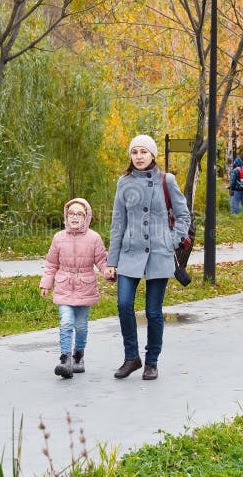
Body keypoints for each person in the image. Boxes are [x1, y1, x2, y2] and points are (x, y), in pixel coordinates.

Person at [104, 135, 191, 380]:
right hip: (129, 253)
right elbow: (117, 223)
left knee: (153, 312)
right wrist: (112, 261)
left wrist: (171, 241)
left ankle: (151, 361)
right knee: (124, 305)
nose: (139, 156)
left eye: (143, 152)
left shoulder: (166, 180)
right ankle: (131, 357)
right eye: (135, 152)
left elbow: (184, 216)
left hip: (159, 254)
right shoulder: (124, 183)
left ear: (153, 155)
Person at [40, 198, 108, 379]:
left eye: (79, 214)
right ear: (66, 216)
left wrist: (108, 272)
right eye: (71, 213)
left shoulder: (94, 238)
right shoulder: (58, 238)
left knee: (81, 326)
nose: (75, 217)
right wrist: (46, 283)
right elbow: (51, 264)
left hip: (85, 286)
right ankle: (65, 360)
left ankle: (78, 356)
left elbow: (102, 261)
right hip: (64, 285)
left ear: (86, 217)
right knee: (66, 322)